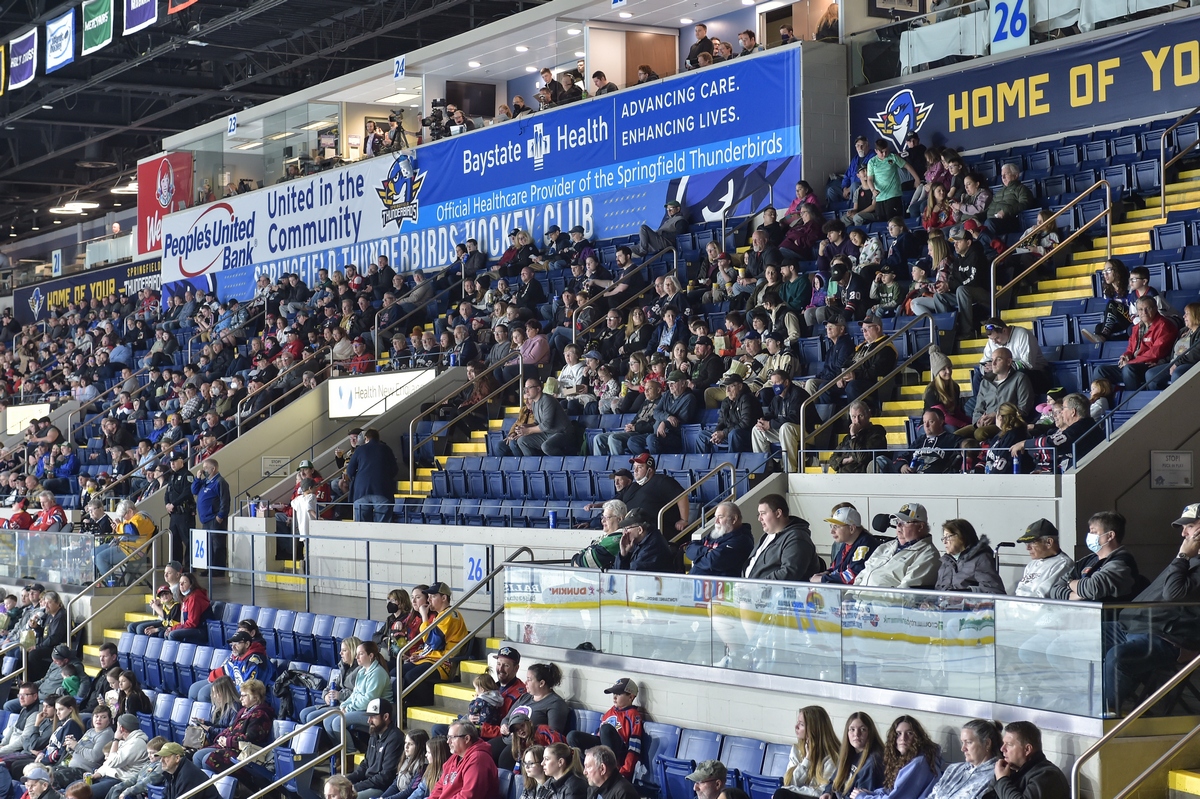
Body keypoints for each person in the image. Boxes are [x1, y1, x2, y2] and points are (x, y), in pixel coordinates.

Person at [1103, 503, 1200, 716]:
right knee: (1073, 643)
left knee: (1119, 657)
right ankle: (1076, 705)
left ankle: (1105, 715)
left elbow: (1173, 594)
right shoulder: (1188, 558)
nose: (1184, 533)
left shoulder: (1185, 557)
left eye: (1190, 526)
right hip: (1131, 625)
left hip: (1167, 637)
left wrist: (1182, 557)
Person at [1048, 511, 1139, 602]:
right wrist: (1075, 595)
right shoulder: (1087, 561)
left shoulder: (1122, 563)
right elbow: (1055, 589)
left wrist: (1069, 583)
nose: (1090, 536)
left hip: (1106, 615)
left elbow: (1093, 587)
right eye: (1090, 531)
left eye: (1094, 532)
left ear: (1110, 535)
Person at [1093, 296, 1177, 390]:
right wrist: (1126, 355)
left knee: (1128, 369)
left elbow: (1155, 353)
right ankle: (1104, 402)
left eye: (1147, 308)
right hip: (1134, 364)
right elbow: (1131, 348)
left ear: (1155, 308)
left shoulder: (1164, 326)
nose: (1144, 312)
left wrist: (1131, 362)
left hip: (1151, 365)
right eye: (1140, 309)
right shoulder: (1137, 327)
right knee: (1100, 371)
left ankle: (1131, 401)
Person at [405, 583, 468, 708]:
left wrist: (424, 617)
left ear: (444, 598)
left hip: (443, 663)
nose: (428, 600)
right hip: (431, 658)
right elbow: (431, 645)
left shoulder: (450, 615)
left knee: (411, 676)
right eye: (428, 597)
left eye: (432, 596)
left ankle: (419, 707)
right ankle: (402, 709)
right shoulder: (441, 615)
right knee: (398, 671)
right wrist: (419, 655)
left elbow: (434, 642)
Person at [565, 678, 642, 780]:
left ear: (631, 697)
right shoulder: (610, 712)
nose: (614, 697)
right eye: (613, 694)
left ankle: (610, 771)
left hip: (618, 750)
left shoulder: (633, 715)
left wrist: (625, 771)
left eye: (618, 694)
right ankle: (587, 769)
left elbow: (634, 747)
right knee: (572, 736)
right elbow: (598, 734)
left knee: (606, 729)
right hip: (602, 745)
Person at [192, 678, 274, 772]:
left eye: (244, 696)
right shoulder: (244, 710)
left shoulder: (260, 714)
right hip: (231, 746)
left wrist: (227, 741)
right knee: (198, 756)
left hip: (245, 753)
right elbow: (231, 728)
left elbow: (250, 739)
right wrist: (221, 738)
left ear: (255, 697)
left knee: (207, 759)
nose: (240, 698)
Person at [851, 716, 941, 799]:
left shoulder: (919, 763)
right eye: (898, 733)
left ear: (917, 737)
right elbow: (892, 790)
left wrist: (862, 797)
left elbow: (895, 797)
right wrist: (872, 794)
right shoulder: (913, 758)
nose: (903, 738)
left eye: (909, 733)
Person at [855, 503, 940, 589]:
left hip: (879, 601)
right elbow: (862, 575)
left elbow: (906, 592)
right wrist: (849, 595)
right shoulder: (885, 546)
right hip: (859, 600)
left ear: (920, 526)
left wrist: (871, 599)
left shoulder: (928, 555)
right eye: (897, 521)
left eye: (904, 522)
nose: (899, 525)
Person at [327, 641, 390, 753]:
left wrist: (349, 709)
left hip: (375, 712)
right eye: (357, 654)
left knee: (337, 722)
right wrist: (344, 705)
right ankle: (340, 754)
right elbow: (354, 694)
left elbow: (368, 701)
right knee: (328, 721)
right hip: (360, 709)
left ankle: (350, 754)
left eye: (360, 654)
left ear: (370, 656)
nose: (356, 657)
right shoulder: (361, 672)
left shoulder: (378, 673)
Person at [745, 494, 821, 581]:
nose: (759, 518)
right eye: (759, 514)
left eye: (763, 513)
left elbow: (790, 572)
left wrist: (757, 585)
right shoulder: (767, 535)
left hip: (774, 592)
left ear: (778, 513)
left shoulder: (797, 538)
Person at [924, 720, 1001, 799]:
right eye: (962, 742)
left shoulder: (996, 776)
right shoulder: (954, 769)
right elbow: (932, 796)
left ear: (987, 743)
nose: (963, 748)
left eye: (968, 742)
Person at [751, 371, 810, 473]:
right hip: (786, 432)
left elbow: (794, 418)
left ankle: (790, 470)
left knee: (786, 427)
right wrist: (763, 421)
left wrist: (770, 424)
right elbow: (771, 414)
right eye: (772, 383)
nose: (774, 386)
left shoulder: (798, 394)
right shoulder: (777, 398)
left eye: (777, 383)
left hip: (807, 431)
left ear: (786, 382)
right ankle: (765, 469)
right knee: (757, 429)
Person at [990, 722, 1068, 799]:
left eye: (1009, 744)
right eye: (1003, 743)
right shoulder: (1012, 771)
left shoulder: (1048, 775)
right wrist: (997, 779)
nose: (1002, 749)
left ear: (1027, 749)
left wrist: (1002, 780)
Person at [776, 706, 840, 798]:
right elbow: (789, 782)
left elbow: (822, 792)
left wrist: (790, 789)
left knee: (781, 794)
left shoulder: (833, 756)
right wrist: (807, 760)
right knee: (781, 794)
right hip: (800, 796)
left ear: (814, 729)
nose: (796, 727)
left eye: (801, 724)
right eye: (797, 722)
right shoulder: (796, 749)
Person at [347, 699, 404, 799]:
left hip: (383, 788)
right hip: (370, 782)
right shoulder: (374, 733)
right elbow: (365, 764)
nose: (369, 721)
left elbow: (386, 777)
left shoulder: (396, 738)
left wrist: (356, 787)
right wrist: (347, 780)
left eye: (373, 717)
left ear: (386, 717)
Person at [820, 712, 885, 799]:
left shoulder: (873, 761)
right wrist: (828, 792)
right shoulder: (849, 754)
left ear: (870, 733)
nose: (856, 734)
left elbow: (860, 796)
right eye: (852, 729)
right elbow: (834, 781)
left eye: (862, 729)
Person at [621, 453, 689, 536]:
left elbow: (681, 495)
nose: (635, 471)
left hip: (653, 531)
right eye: (634, 467)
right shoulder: (633, 486)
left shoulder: (662, 481)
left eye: (640, 467)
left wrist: (684, 520)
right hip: (630, 529)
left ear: (649, 470)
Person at [511, 379, 582, 457]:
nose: (526, 391)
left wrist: (528, 431)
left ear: (538, 389)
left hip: (562, 433)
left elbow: (546, 425)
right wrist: (525, 427)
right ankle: (534, 466)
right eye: (525, 389)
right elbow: (537, 423)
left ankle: (564, 464)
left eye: (529, 388)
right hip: (547, 433)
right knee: (522, 441)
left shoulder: (547, 400)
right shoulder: (534, 403)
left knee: (546, 446)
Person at [811, 506, 879, 584]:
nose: (832, 531)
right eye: (831, 526)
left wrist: (822, 579)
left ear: (852, 529)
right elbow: (835, 567)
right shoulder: (846, 543)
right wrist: (825, 573)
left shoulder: (865, 544)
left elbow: (852, 576)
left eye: (836, 527)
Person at [88, 715, 151, 799]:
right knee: (73, 787)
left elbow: (112, 762)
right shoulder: (126, 741)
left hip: (120, 780)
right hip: (108, 776)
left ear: (121, 728)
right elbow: (108, 763)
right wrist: (99, 773)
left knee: (84, 793)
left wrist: (116, 739)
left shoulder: (137, 743)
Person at [935, 519, 1006, 594]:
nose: (944, 542)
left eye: (948, 537)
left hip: (969, 605)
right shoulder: (947, 561)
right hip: (944, 605)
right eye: (943, 538)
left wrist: (967, 594)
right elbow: (937, 590)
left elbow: (994, 591)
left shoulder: (980, 559)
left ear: (962, 537)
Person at [429, 723, 497, 799]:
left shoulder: (478, 759)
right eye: (448, 737)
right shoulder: (455, 757)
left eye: (452, 737)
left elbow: (468, 796)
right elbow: (439, 787)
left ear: (467, 739)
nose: (448, 741)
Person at [686, 502, 754, 577]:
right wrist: (707, 551)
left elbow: (712, 562)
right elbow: (689, 548)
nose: (716, 521)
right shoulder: (716, 534)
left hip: (719, 587)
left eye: (720, 517)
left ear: (734, 519)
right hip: (695, 583)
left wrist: (696, 559)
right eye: (715, 517)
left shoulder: (742, 540)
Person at [347, 428, 399, 523]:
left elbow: (350, 471)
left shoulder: (360, 450)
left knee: (361, 527)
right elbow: (395, 470)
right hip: (382, 491)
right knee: (382, 526)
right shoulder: (386, 449)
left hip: (361, 492)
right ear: (378, 438)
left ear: (366, 438)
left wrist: (358, 479)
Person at [1012, 520, 1074, 597]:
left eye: (1033, 542)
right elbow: (1019, 591)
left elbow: (1043, 597)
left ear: (1049, 542)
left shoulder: (1063, 564)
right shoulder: (1032, 564)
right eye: (1027, 543)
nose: (1027, 548)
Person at [865, 140, 922, 221]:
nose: (884, 154)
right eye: (881, 152)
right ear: (876, 151)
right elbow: (870, 179)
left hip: (893, 195)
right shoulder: (871, 162)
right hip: (879, 197)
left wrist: (917, 179)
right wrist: (873, 190)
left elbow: (908, 166)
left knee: (894, 222)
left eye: (886, 151)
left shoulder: (893, 157)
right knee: (881, 223)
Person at [703, 374, 762, 453]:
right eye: (726, 387)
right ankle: (704, 463)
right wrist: (717, 433)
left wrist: (724, 433)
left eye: (731, 386)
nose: (727, 390)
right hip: (729, 433)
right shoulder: (726, 401)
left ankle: (732, 464)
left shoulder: (747, 398)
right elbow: (721, 422)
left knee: (734, 434)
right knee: (702, 435)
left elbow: (745, 423)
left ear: (740, 386)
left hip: (748, 435)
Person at [1146, 302, 1200, 388]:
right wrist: (1160, 362)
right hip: (1174, 363)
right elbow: (1173, 352)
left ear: (1196, 315)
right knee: (1151, 374)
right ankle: (1159, 400)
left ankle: (1178, 401)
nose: (1183, 316)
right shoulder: (1183, 331)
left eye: (1187, 314)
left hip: (1191, 364)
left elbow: (1196, 353)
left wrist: (1177, 364)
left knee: (1177, 374)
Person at [825, 401, 888, 474]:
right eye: (854, 417)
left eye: (860, 416)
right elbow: (832, 460)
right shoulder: (847, 438)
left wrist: (854, 436)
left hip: (861, 477)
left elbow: (862, 458)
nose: (857, 420)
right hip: (842, 477)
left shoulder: (876, 432)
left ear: (868, 415)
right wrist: (848, 460)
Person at [191, 459, 229, 567]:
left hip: (215, 518)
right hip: (206, 519)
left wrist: (221, 515)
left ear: (213, 469)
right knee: (208, 545)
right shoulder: (206, 481)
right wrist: (197, 478)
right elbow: (194, 490)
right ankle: (209, 567)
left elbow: (225, 500)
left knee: (217, 544)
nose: (203, 470)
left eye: (206, 467)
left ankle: (218, 569)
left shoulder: (220, 482)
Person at [616, 508, 675, 573]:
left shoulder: (652, 547)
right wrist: (623, 554)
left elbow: (632, 576)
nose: (624, 532)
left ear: (640, 530)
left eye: (627, 529)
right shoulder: (638, 542)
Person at [983, 164, 1035, 236]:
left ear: (1016, 175)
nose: (1003, 177)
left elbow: (1025, 204)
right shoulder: (999, 192)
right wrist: (975, 217)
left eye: (1006, 174)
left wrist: (1006, 211)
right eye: (1002, 175)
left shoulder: (1021, 189)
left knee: (989, 224)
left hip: (1008, 221)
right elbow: (989, 208)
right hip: (992, 221)